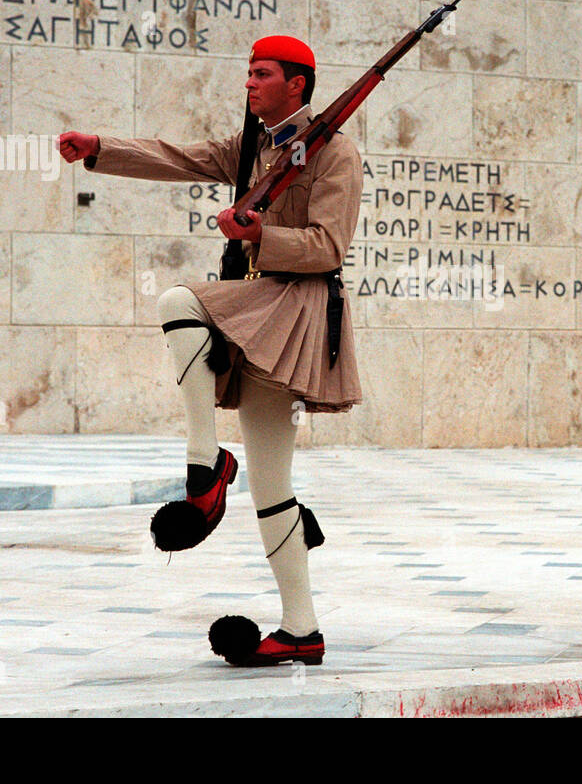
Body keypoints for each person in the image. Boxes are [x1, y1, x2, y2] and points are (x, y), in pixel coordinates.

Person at [58, 35, 362, 666]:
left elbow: (329, 247)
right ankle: (302, 629)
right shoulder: (251, 144)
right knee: (272, 487)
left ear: (297, 85)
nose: (248, 83)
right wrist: (99, 149)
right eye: (248, 72)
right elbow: (179, 157)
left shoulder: (336, 155)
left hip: (295, 312)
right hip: (254, 306)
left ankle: (206, 466)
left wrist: (261, 234)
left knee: (178, 302)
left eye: (261, 74)